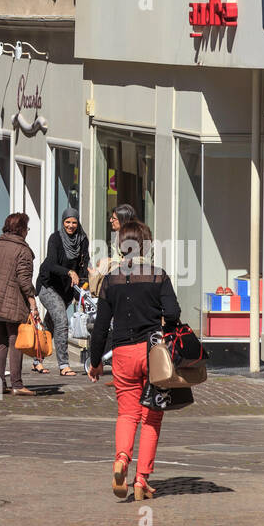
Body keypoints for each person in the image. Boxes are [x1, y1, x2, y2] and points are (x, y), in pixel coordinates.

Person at [88, 221, 181, 502]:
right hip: (152, 354)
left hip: (123, 354)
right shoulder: (158, 276)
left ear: (121, 246)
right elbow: (174, 312)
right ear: (148, 246)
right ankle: (141, 480)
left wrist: (95, 362)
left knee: (127, 413)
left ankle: (121, 459)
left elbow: (101, 326)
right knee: (152, 415)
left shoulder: (111, 280)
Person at [0, 212, 39, 397]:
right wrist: (33, 303)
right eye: (26, 228)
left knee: (0, 342)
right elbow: (24, 280)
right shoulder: (22, 250)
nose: (27, 231)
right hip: (11, 303)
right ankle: (17, 384)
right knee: (15, 342)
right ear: (21, 229)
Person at [35, 208, 90, 377]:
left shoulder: (82, 239)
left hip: (66, 290)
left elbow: (83, 265)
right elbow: (51, 264)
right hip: (48, 285)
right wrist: (68, 272)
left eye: (74, 222)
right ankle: (64, 365)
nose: (71, 225)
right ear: (62, 222)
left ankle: (37, 360)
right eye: (67, 222)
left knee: (51, 324)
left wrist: (83, 286)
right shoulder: (55, 238)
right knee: (61, 320)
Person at [88, 203, 138, 293]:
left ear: (123, 220)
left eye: (114, 218)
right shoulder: (117, 235)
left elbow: (132, 261)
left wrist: (109, 262)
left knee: (99, 270)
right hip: (118, 274)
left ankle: (95, 294)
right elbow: (117, 258)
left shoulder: (132, 236)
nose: (110, 220)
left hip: (128, 277)